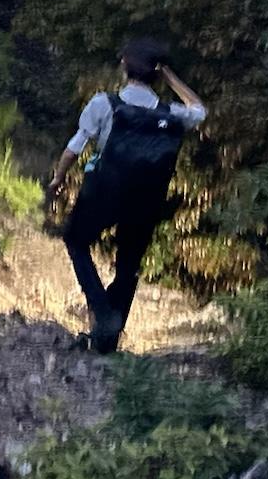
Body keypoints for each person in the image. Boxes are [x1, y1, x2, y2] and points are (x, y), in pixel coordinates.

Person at [45, 38, 205, 353]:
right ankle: (107, 343)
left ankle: (103, 313)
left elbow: (75, 148)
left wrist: (58, 178)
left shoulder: (105, 104)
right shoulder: (172, 114)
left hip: (104, 192)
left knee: (76, 241)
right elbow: (199, 110)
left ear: (124, 66)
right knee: (128, 265)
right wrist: (171, 78)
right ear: (158, 74)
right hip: (146, 200)